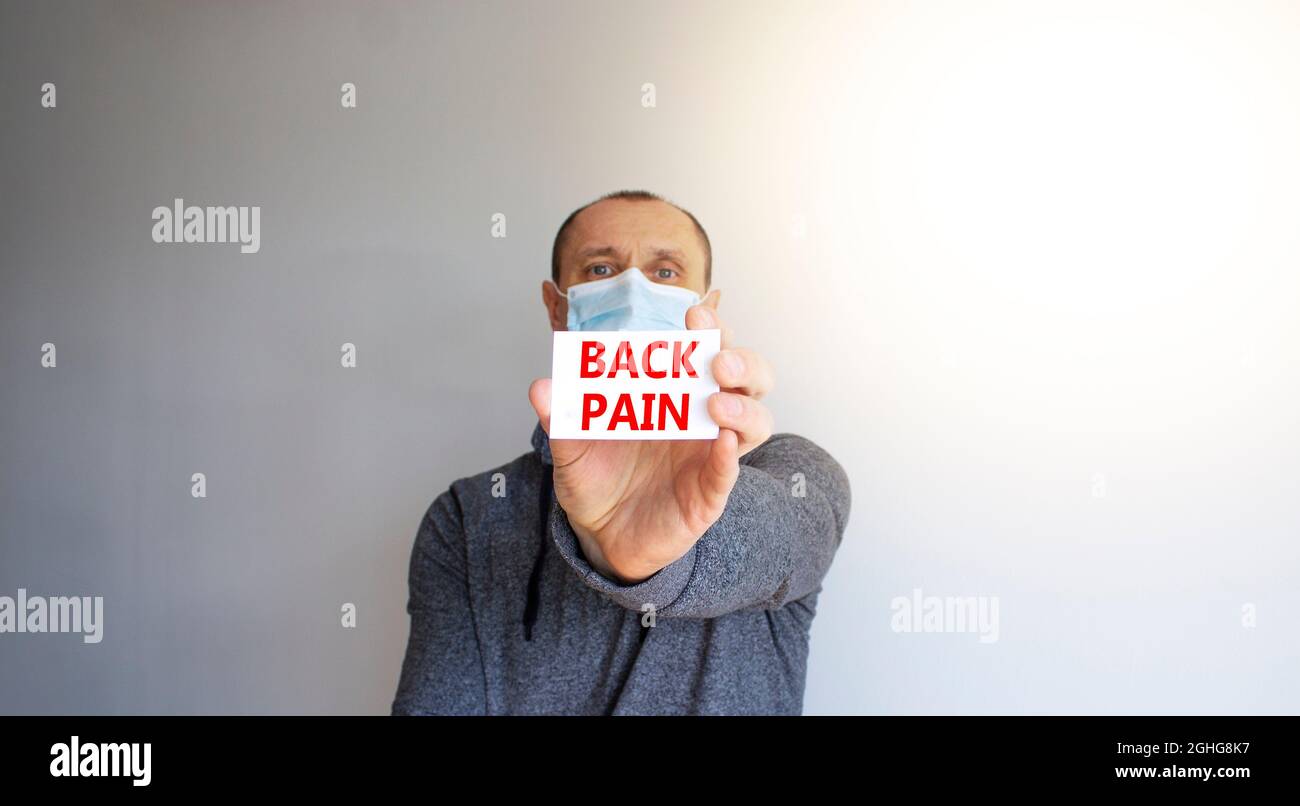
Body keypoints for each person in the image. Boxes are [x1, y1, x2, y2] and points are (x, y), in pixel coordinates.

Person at [392, 190, 851, 715]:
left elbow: (778, 545)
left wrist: (648, 552)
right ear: (556, 306)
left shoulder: (796, 474)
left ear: (708, 308)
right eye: (601, 267)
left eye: (666, 273)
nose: (633, 291)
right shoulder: (468, 517)